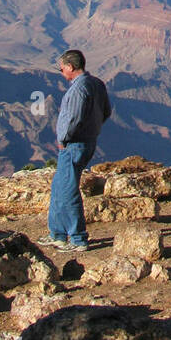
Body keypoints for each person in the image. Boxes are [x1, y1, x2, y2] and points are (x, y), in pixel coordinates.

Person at [44, 50, 112, 251]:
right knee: (59, 186)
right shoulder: (97, 84)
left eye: (62, 68)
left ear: (71, 67)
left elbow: (73, 119)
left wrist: (63, 139)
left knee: (68, 191)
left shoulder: (78, 90)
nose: (61, 72)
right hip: (87, 141)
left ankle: (77, 238)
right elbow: (106, 111)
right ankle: (57, 234)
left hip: (74, 145)